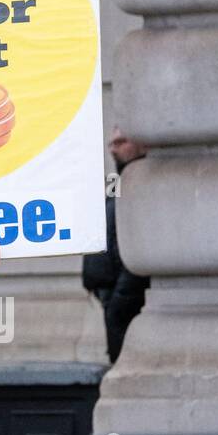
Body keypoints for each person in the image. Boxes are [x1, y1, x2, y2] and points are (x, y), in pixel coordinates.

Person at [82, 126, 150, 361]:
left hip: (124, 295)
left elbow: (140, 244)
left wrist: (120, 298)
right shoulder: (121, 182)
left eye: (120, 142)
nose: (112, 149)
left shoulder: (146, 184)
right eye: (111, 143)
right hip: (111, 293)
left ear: (143, 145)